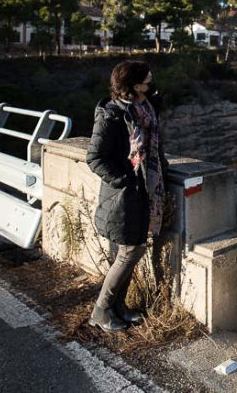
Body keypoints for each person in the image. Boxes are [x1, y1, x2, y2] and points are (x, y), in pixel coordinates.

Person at [86, 61, 167, 332]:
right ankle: (100, 310)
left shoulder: (146, 107)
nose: (152, 77)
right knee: (130, 251)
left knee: (134, 249)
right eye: (146, 76)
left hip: (144, 193)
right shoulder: (112, 114)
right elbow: (95, 158)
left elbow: (154, 147)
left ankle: (118, 307)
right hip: (125, 196)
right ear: (134, 84)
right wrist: (126, 182)